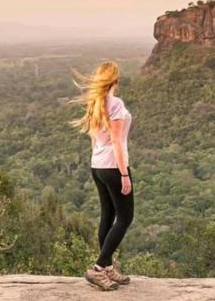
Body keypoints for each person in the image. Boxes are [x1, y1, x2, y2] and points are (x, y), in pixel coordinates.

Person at [69, 61, 134, 291]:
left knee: (108, 214)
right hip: (113, 167)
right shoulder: (116, 104)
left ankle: (107, 267)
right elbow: (116, 141)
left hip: (97, 165)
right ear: (115, 80)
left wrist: (98, 163)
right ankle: (98, 268)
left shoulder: (95, 103)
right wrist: (124, 174)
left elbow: (94, 139)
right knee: (125, 218)